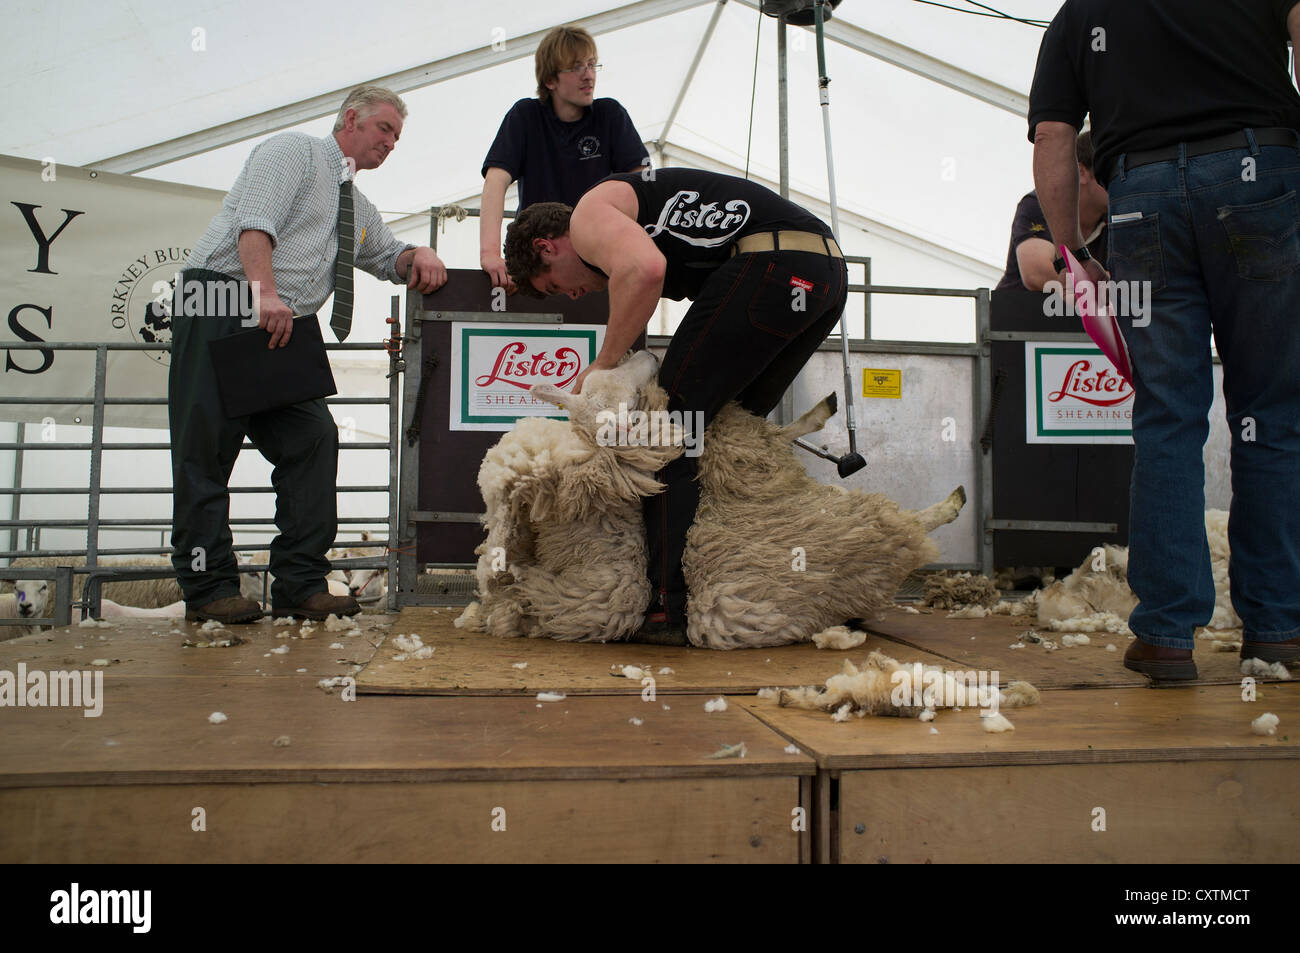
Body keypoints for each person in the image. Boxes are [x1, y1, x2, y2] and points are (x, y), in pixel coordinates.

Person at [1028, 0, 1300, 679]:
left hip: (1142, 195)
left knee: (1166, 417)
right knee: (1271, 412)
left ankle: (1168, 635)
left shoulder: (1082, 11)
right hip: (1260, 172)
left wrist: (1072, 251)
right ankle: (1276, 630)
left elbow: (1055, 138)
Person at [503, 167, 848, 644]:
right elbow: (642, 278)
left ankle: (668, 607)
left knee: (667, 437)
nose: (574, 294)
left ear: (547, 247)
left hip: (773, 267)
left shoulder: (587, 217)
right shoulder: (632, 213)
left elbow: (645, 270)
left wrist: (602, 365)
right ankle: (767, 587)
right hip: (823, 276)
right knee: (729, 435)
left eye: (556, 286)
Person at [170, 86, 448, 624]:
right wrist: (263, 293)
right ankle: (208, 590)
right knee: (206, 449)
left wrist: (421, 253)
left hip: (285, 320)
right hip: (223, 298)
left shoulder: (356, 202)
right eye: (384, 129)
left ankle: (300, 583)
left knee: (313, 440)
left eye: (397, 136)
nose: (390, 143)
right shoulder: (292, 151)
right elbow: (256, 223)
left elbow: (386, 254)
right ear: (350, 119)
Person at [479, 24, 649, 289]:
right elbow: (495, 180)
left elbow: (644, 183)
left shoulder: (610, 115)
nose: (588, 76)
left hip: (597, 260)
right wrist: (490, 254)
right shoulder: (525, 115)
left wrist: (636, 252)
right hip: (540, 265)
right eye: (576, 67)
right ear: (550, 80)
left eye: (592, 65)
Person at [995, 129, 1108, 291]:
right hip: (1018, 312)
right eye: (1110, 172)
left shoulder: (1115, 217)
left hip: (1065, 313)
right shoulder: (1038, 204)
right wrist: (1099, 289)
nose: (1121, 180)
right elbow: (1036, 274)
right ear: (1081, 172)